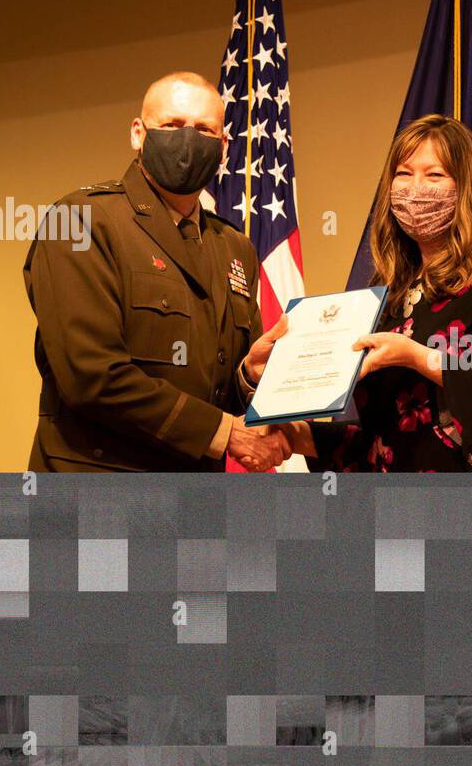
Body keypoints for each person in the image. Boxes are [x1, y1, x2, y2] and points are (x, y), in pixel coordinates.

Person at [24, 71, 291, 472]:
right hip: (99, 486)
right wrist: (225, 432)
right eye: (171, 125)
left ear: (222, 148)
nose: (188, 139)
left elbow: (217, 388)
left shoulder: (234, 247)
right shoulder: (81, 221)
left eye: (204, 130)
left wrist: (248, 375)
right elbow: (92, 377)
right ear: (138, 133)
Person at [279, 115, 472, 472]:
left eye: (434, 175)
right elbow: (382, 439)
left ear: (466, 187)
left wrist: (418, 357)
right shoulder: (392, 292)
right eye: (404, 174)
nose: (415, 188)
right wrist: (293, 435)